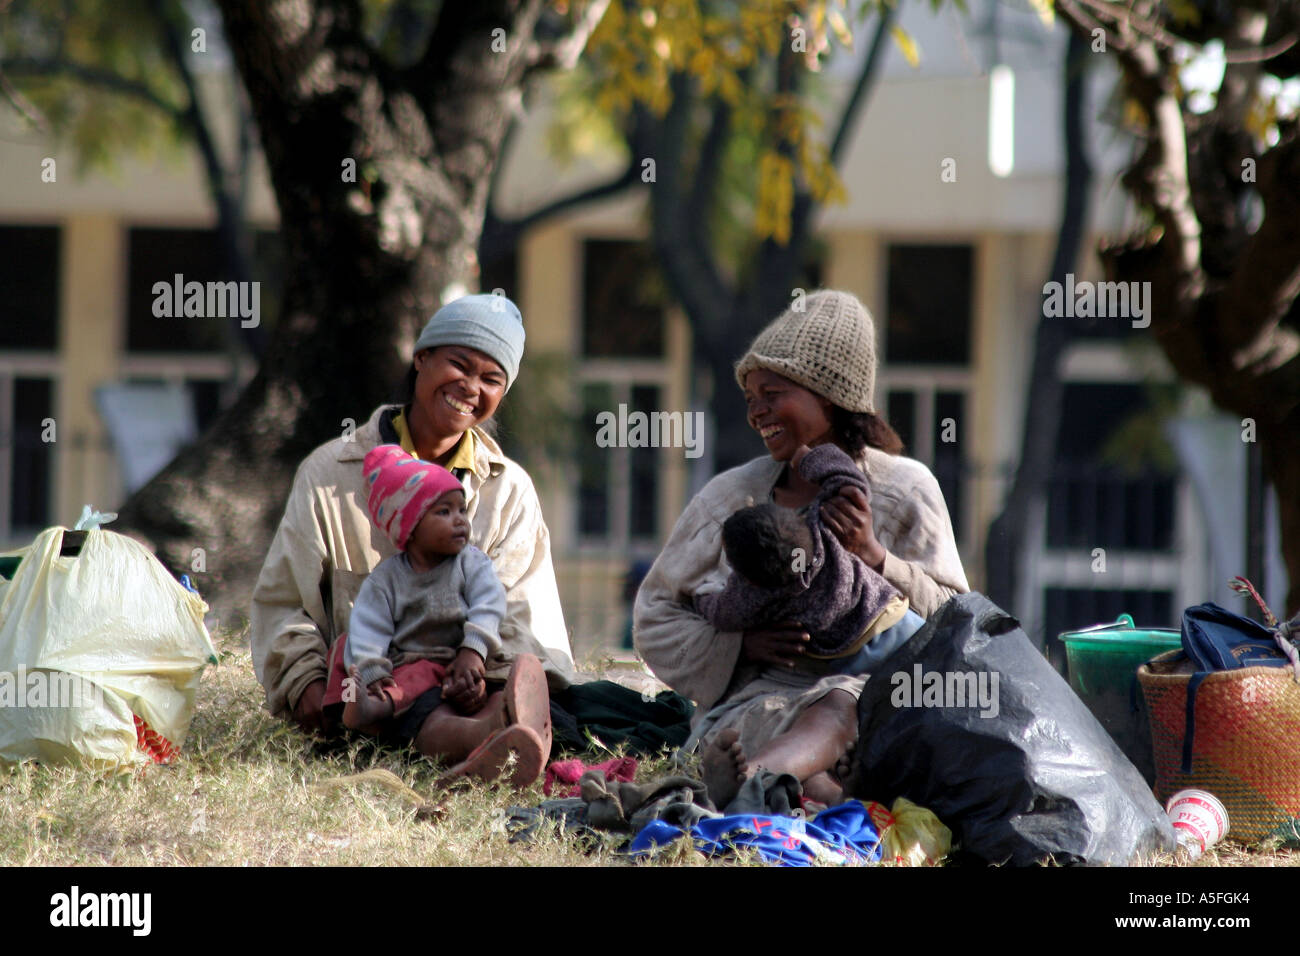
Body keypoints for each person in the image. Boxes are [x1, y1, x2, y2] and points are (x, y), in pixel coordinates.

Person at [634, 290, 969, 809]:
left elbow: (959, 625)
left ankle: (752, 787)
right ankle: (761, 786)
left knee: (838, 713)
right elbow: (654, 615)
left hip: (871, 701)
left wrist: (875, 556)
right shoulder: (730, 497)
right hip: (758, 702)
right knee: (803, 768)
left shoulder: (903, 491)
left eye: (772, 393)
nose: (756, 412)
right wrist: (738, 646)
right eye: (750, 399)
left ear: (829, 395)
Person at [251, 293, 575, 738]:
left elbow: (525, 624)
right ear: (421, 358)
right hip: (360, 700)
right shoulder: (329, 474)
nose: (471, 388)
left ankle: (487, 738)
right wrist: (303, 681)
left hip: (471, 700)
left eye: (492, 379)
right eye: (459, 365)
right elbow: (285, 603)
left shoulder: (508, 490)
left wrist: (480, 676)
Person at [332, 444, 551, 786]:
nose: (460, 520)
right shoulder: (387, 579)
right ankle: (480, 737)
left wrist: (473, 652)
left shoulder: (471, 563)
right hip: (410, 671)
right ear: (409, 526)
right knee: (425, 714)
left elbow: (489, 603)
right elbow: (367, 629)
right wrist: (373, 672)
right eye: (444, 512)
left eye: (461, 509)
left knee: (487, 695)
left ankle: (509, 722)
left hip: (461, 664)